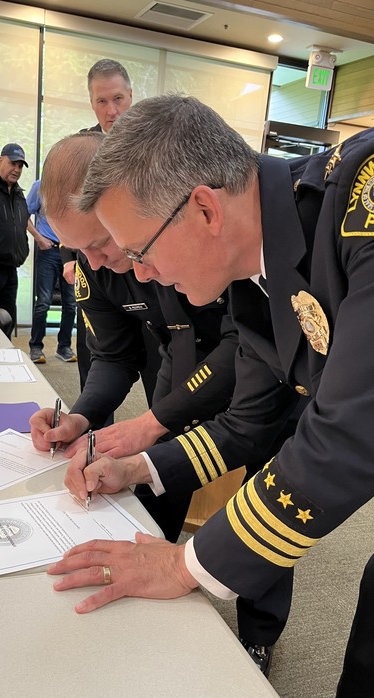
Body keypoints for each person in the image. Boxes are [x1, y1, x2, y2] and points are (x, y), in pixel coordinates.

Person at [48, 95, 374, 698]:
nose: (138, 274)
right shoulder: (255, 276)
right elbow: (248, 423)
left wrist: (186, 565)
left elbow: (346, 439)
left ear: (203, 208)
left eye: (139, 251)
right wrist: (140, 468)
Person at [30, 131, 237, 545]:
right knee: (157, 477)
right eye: (77, 249)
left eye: (100, 243)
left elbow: (245, 344)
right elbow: (113, 356)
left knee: (260, 495)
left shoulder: (190, 236)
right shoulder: (93, 265)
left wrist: (151, 422)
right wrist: (81, 416)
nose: (93, 263)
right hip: (178, 354)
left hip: (248, 356)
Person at [71, 59, 134, 396]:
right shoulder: (82, 151)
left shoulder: (155, 144)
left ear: (131, 96)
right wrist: (73, 257)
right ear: (92, 103)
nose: (112, 111)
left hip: (148, 270)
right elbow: (70, 213)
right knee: (99, 357)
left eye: (118, 99)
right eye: (102, 101)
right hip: (98, 271)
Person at [26, 178, 77, 364]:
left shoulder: (74, 185)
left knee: (71, 303)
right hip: (48, 250)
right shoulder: (40, 186)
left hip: (70, 251)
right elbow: (23, 215)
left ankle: (64, 347)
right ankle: (36, 346)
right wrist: (39, 238)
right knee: (44, 302)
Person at [0, 143, 30, 338]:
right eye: (13, 163)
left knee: (8, 319)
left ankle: (6, 352)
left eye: (20, 166)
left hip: (11, 268)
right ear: (1, 160)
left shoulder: (18, 193)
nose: (17, 170)